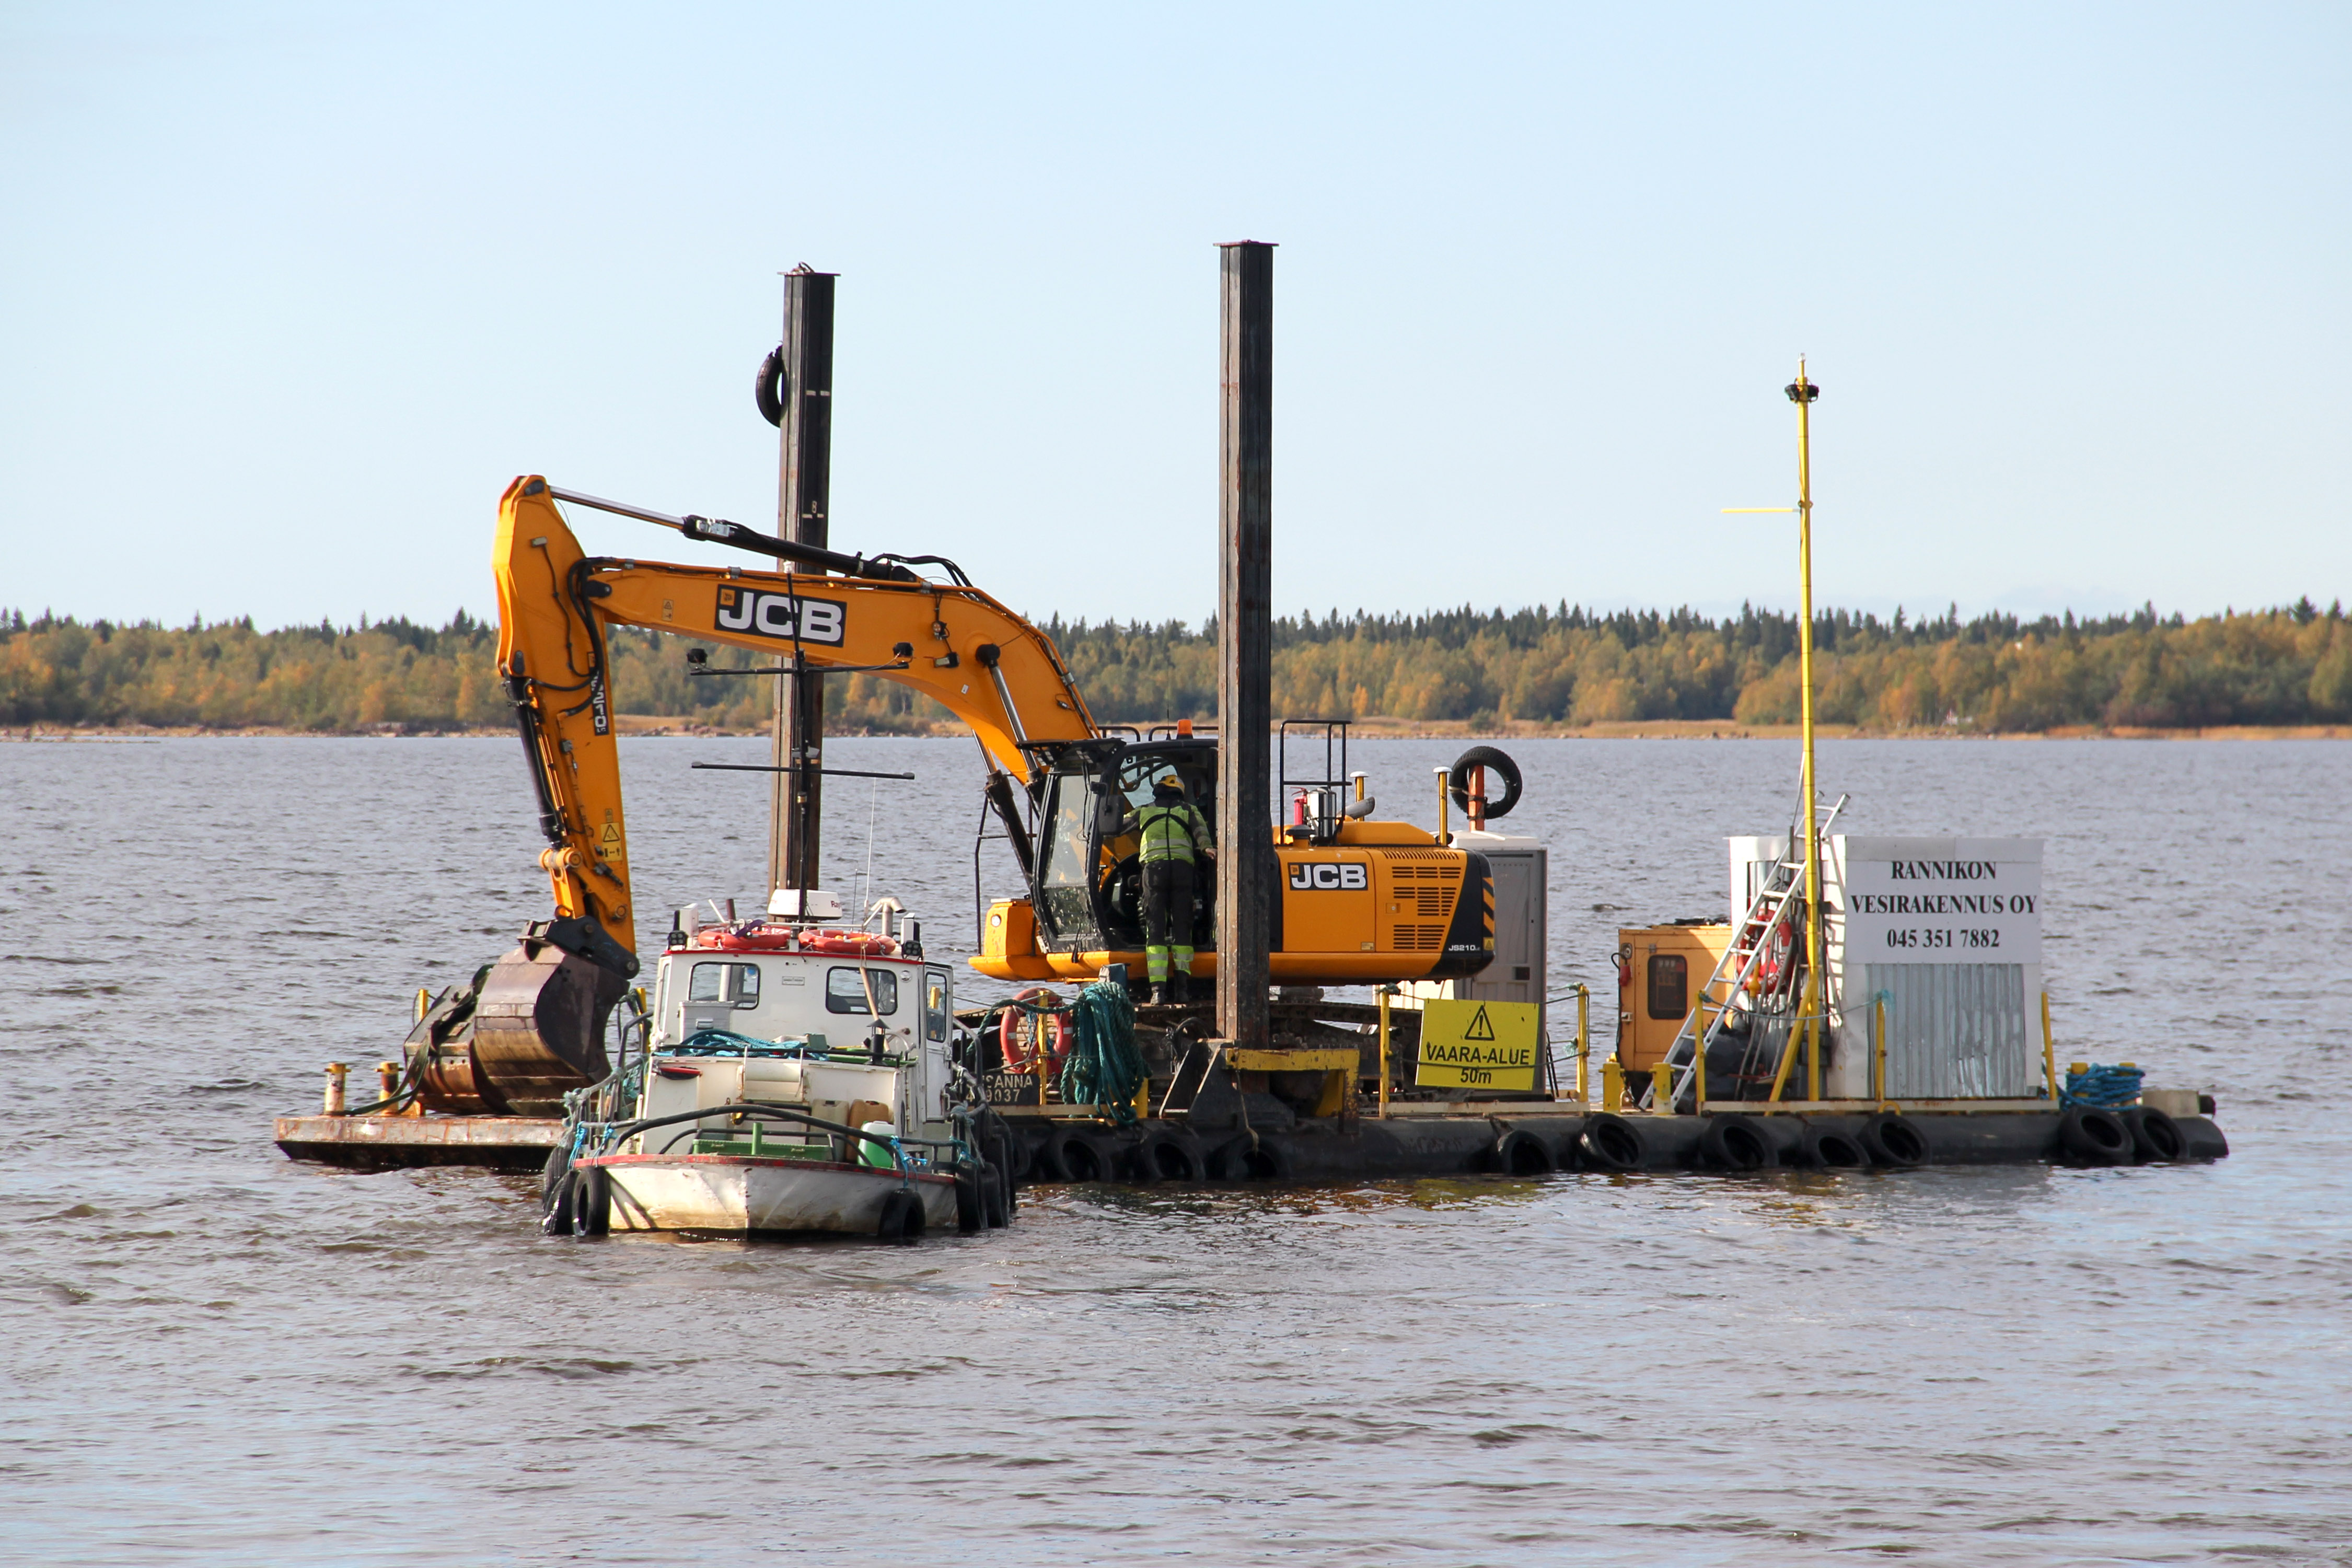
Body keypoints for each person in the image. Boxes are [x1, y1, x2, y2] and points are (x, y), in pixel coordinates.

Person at [1130, 774, 1210, 1004]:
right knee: (1183, 928)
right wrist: (1207, 850)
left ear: (1158, 790)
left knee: (1155, 929)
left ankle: (1158, 992)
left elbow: (1114, 825)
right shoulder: (1189, 811)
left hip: (1154, 872)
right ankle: (1183, 989)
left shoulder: (1144, 810)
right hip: (1182, 872)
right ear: (1180, 792)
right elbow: (1201, 833)